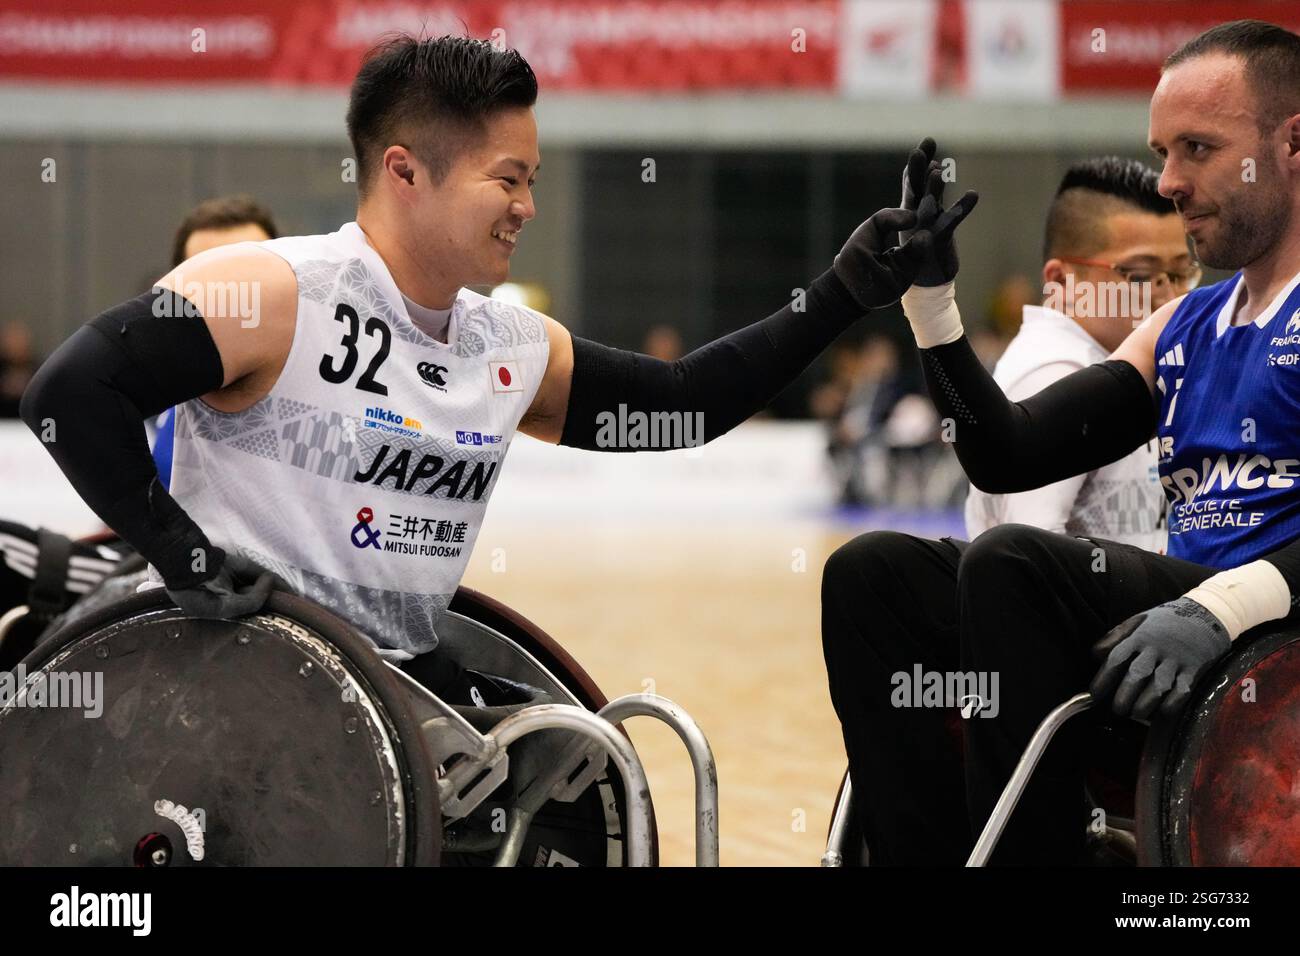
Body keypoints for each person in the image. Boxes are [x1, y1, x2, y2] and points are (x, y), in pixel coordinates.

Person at [21, 34, 971, 703]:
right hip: (236, 674)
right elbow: (70, 392)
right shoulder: (272, 290)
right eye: (506, 180)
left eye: (533, 183)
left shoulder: (511, 345)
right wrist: (181, 553)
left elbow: (686, 405)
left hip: (391, 682)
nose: (525, 206)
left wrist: (845, 290)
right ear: (405, 172)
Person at [821, 18, 1300, 865]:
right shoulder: (1184, 320)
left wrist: (1224, 605)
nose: (1170, 181)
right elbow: (1006, 451)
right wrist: (933, 303)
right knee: (873, 575)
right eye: (1163, 151)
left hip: (1268, 619)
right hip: (1193, 607)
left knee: (1014, 564)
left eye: (1197, 148)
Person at [965, 157, 1193, 551]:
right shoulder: (1054, 372)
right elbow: (1028, 561)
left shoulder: (1116, 362)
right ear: (1060, 280)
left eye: (1181, 273)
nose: (1169, 296)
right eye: (1140, 276)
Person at [152, 196, 281, 487]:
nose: (232, 297)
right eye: (210, 279)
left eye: (250, 275)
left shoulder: (334, 393)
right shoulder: (157, 397)